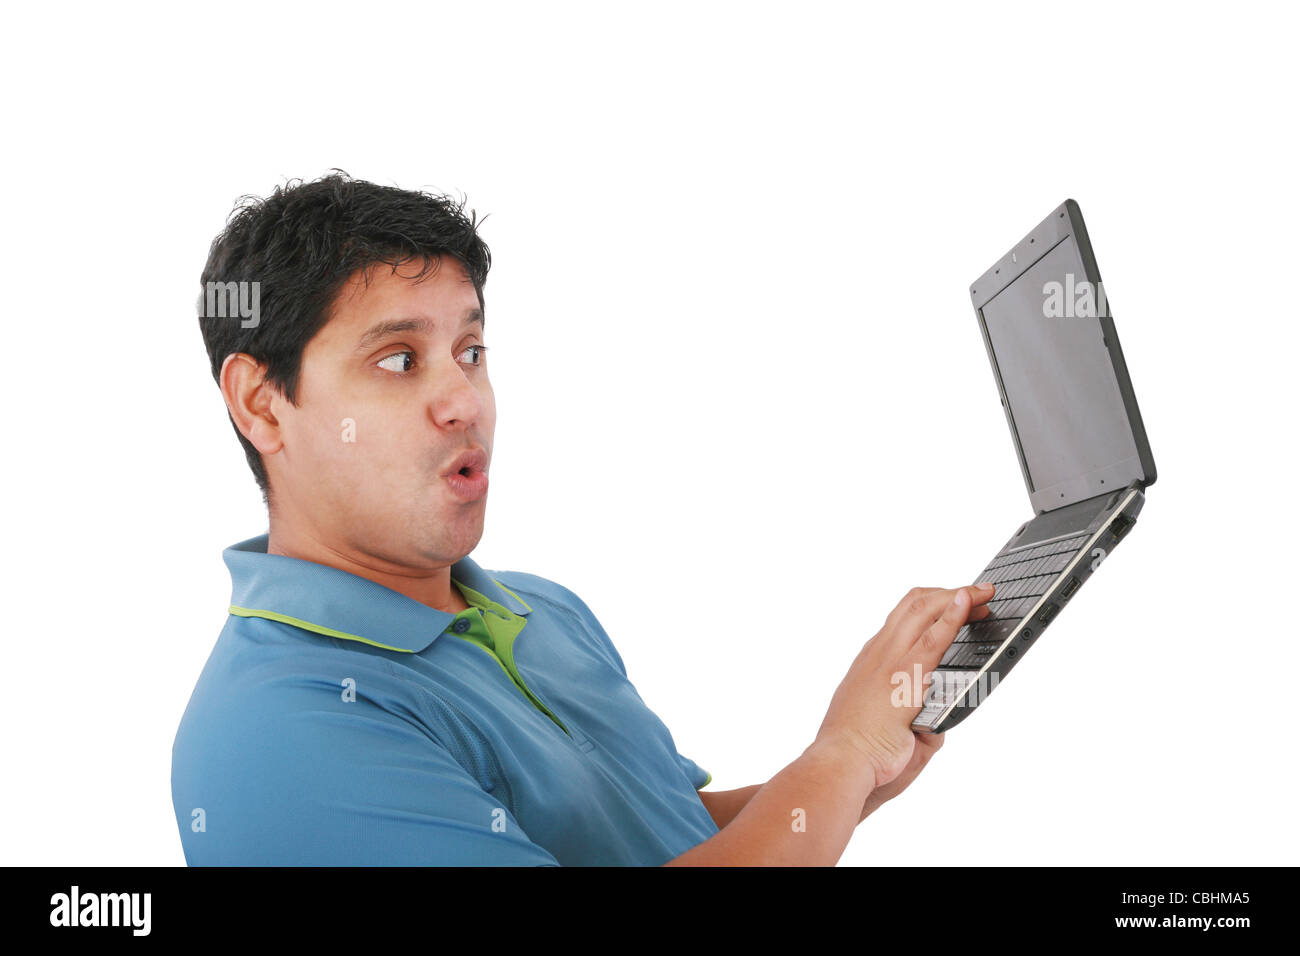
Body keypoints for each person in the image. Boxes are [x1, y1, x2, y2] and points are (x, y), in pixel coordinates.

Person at [171, 171, 996, 866]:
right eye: (398, 360)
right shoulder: (279, 725)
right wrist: (841, 755)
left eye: (471, 351)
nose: (464, 401)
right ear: (263, 404)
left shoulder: (542, 609)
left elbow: (667, 830)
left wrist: (864, 769)